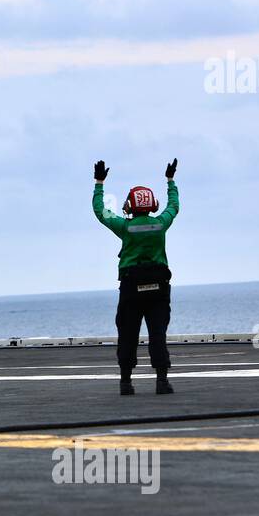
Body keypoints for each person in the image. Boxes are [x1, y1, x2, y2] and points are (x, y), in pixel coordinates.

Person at [92, 159, 180, 395]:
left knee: (128, 334)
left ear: (130, 205)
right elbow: (173, 206)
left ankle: (126, 383)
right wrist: (170, 180)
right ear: (153, 204)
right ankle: (162, 381)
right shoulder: (161, 224)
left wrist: (99, 183)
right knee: (158, 335)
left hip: (131, 287)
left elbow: (101, 212)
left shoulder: (125, 227)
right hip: (159, 288)